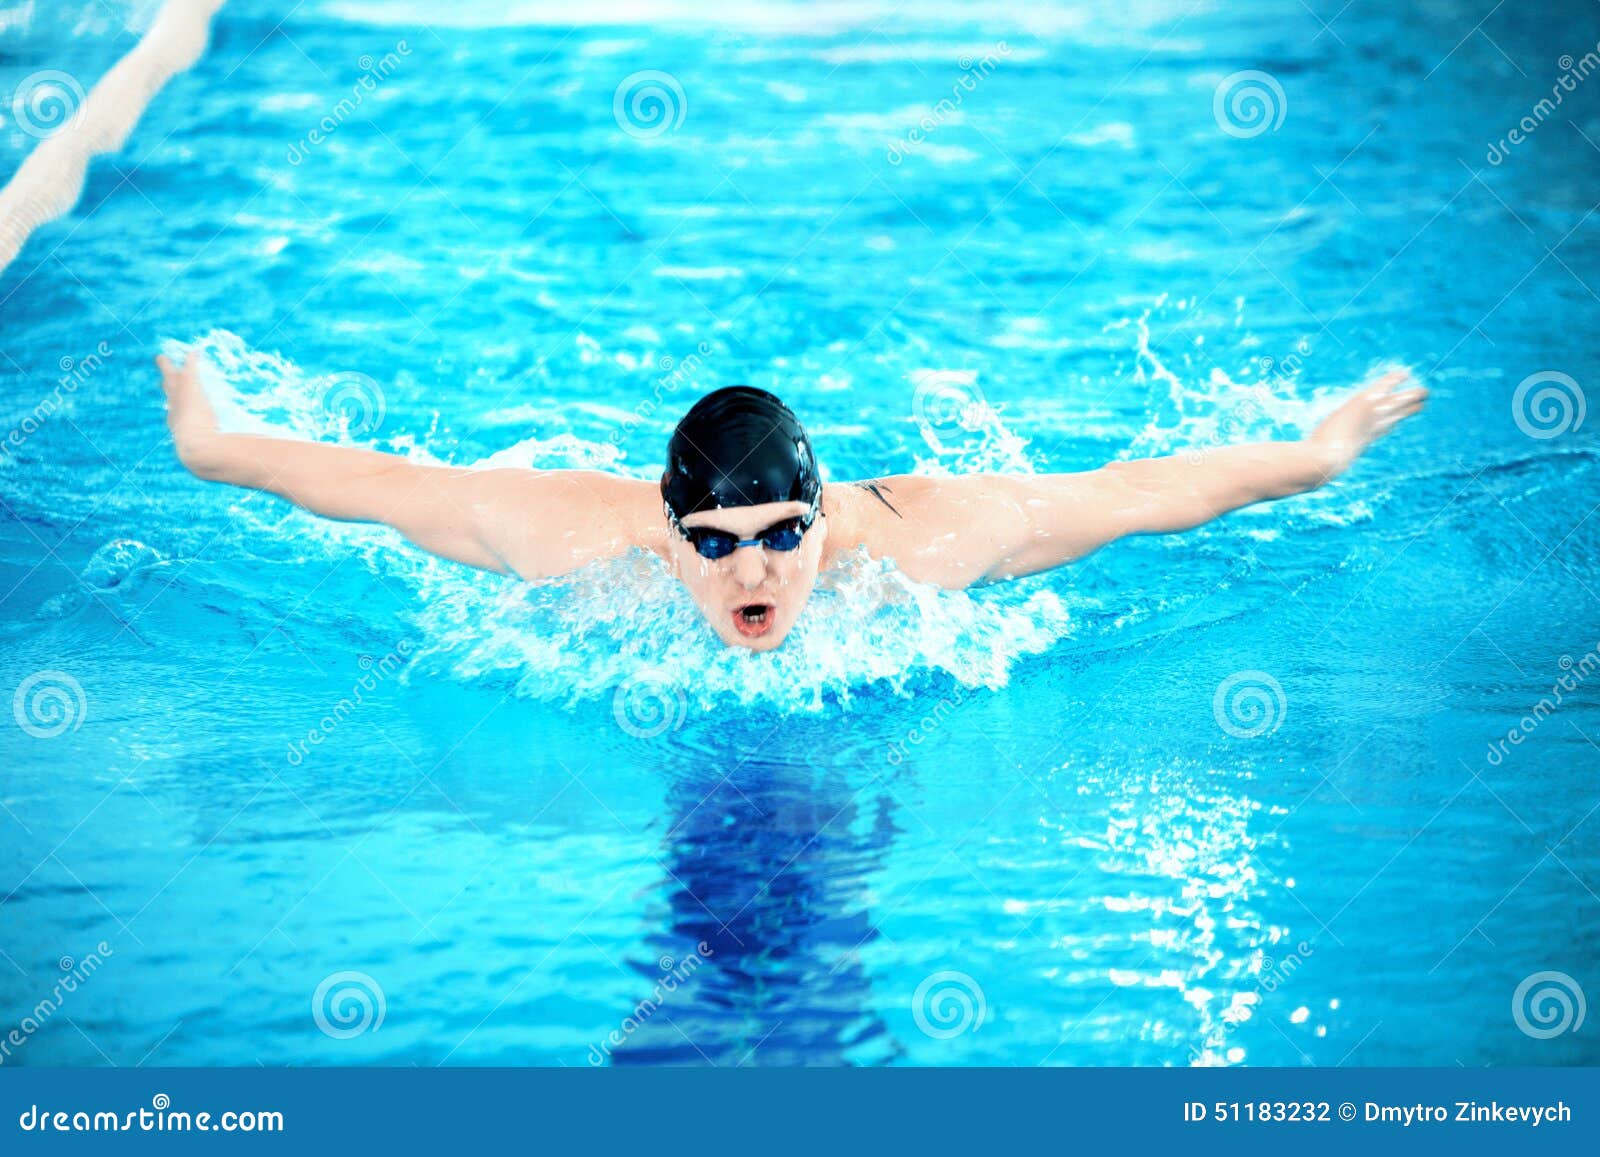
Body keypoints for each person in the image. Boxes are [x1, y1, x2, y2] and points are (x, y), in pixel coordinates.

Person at [154, 352, 1427, 652]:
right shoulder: (560, 535)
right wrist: (209, 437)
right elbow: (372, 488)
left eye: (780, 540)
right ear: (665, 532)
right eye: (709, 544)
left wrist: (1313, 456)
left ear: (825, 523)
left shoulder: (933, 542)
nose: (748, 574)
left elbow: (1142, 491)